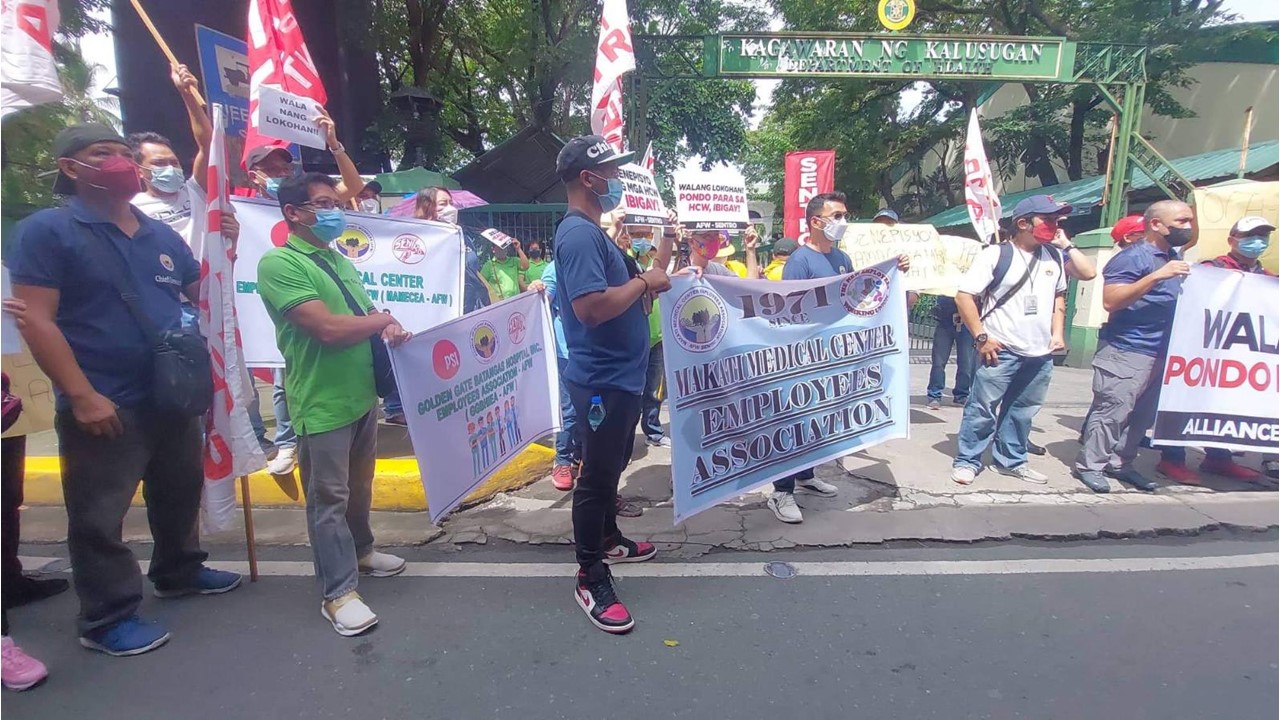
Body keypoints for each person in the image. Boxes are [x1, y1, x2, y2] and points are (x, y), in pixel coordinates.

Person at [10, 124, 242, 656]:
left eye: (122, 153)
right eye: (102, 154)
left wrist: (229, 243)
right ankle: (106, 617)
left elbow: (204, 293)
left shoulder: (160, 236)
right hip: (104, 397)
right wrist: (82, 393)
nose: (119, 162)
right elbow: (37, 321)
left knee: (179, 491)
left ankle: (179, 570)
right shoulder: (47, 232)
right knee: (99, 514)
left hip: (172, 391)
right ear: (72, 168)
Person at [256, 172, 411, 637]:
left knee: (358, 489)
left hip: (360, 397)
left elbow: (364, 315)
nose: (334, 212)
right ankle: (337, 593)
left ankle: (362, 550)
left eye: (334, 203)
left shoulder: (337, 260)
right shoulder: (280, 264)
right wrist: (380, 319)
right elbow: (326, 328)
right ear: (293, 213)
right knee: (328, 501)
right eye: (322, 204)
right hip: (320, 402)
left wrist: (389, 325)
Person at [554, 135, 672, 634]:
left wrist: (659, 258)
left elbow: (628, 295)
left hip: (620, 377)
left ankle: (608, 539)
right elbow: (591, 308)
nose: (618, 181)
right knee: (597, 479)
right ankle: (590, 575)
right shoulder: (578, 235)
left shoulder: (596, 235)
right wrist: (646, 282)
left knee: (613, 464)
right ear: (589, 179)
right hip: (601, 381)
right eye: (612, 172)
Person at [766, 192, 910, 523]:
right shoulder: (799, 262)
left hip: (831, 356)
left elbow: (858, 296)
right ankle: (781, 491)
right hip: (803, 356)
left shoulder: (842, 258)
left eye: (845, 214)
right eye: (838, 215)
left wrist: (894, 271)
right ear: (816, 221)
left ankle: (805, 476)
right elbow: (792, 310)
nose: (843, 221)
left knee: (817, 421)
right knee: (794, 423)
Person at [1072, 200, 1196, 493]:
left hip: (1161, 351)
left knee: (1141, 415)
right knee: (1113, 411)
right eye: (1181, 221)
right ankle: (1091, 466)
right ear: (1156, 225)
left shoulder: (1173, 256)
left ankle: (1121, 463)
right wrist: (1155, 277)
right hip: (1127, 349)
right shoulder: (1134, 257)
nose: (1188, 227)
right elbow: (1111, 300)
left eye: (1190, 221)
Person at [950, 195, 1070, 487]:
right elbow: (964, 296)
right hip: (1001, 349)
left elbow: (1059, 296)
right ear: (1023, 223)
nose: (1055, 226)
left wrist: (1057, 333)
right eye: (1048, 219)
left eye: (1057, 220)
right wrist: (982, 337)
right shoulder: (995, 255)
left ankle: (1011, 461)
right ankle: (968, 460)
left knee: (1022, 410)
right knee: (982, 408)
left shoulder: (1054, 256)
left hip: (1040, 353)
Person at [1155, 216, 1275, 484]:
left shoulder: (1267, 278)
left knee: (1223, 403)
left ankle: (1219, 459)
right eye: (1250, 237)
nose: (1258, 242)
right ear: (1232, 240)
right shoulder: (1211, 269)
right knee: (1188, 401)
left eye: (1263, 237)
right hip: (1202, 353)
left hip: (1239, 357)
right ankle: (1171, 458)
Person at [925, 294, 976, 410]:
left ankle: (961, 395)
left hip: (966, 322)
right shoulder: (946, 278)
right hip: (945, 320)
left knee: (966, 363)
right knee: (938, 362)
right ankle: (934, 395)